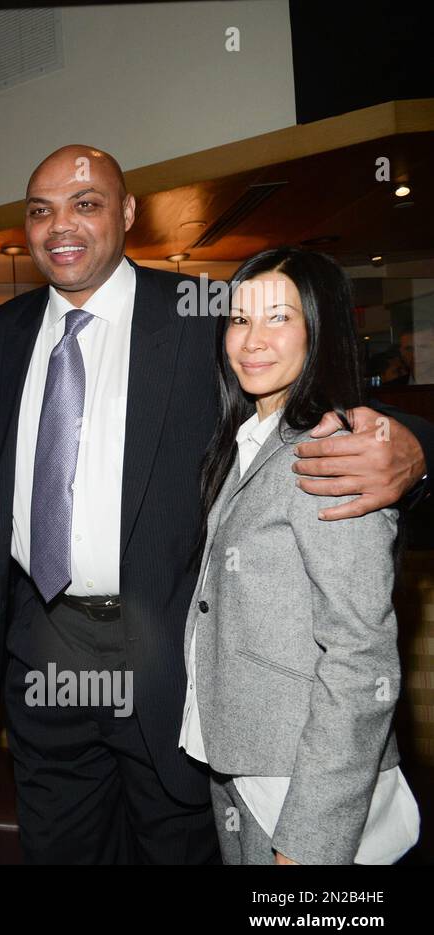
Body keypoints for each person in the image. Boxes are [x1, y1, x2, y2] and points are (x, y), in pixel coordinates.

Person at [0, 145, 433, 863]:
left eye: (85, 203)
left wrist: (416, 446)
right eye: (40, 210)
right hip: (42, 647)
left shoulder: (203, 316)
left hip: (168, 658)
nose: (60, 224)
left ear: (126, 213)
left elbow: (311, 392)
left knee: (176, 850)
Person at [184, 248, 420, 865]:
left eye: (278, 318)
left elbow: (360, 658)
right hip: (244, 766)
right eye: (238, 320)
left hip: (300, 785)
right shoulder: (247, 443)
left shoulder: (329, 452)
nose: (252, 341)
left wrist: (311, 840)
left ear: (320, 330)